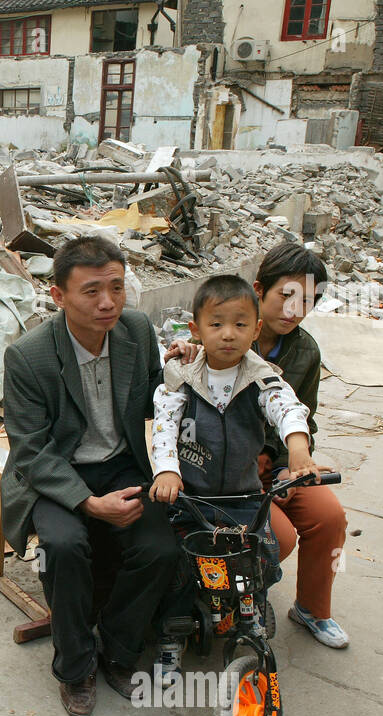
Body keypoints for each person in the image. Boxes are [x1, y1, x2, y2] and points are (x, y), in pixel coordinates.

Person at [1, 236, 183, 716]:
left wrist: (184, 371)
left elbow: (150, 403)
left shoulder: (137, 331)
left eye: (117, 288)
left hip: (122, 463)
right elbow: (30, 449)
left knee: (162, 546)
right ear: (58, 296)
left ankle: (120, 651)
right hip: (56, 471)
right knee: (63, 546)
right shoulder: (29, 356)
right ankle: (74, 667)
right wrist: (88, 503)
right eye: (91, 291)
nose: (108, 303)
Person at [149, 274, 321, 683]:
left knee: (258, 554)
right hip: (190, 496)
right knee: (178, 564)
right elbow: (164, 425)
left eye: (241, 324)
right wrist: (168, 470)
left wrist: (298, 449)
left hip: (243, 496)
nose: (229, 335)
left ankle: (253, 608)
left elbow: (288, 408)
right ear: (196, 329)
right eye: (217, 324)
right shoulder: (182, 376)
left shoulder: (262, 376)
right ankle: (172, 636)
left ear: (256, 329)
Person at [252, 242, 350, 648]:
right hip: (228, 471)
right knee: (280, 537)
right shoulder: (226, 333)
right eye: (285, 295)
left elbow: (304, 418)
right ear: (259, 289)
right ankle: (235, 602)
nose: (294, 310)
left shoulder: (305, 350)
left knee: (330, 517)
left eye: (308, 300)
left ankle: (312, 608)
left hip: (279, 466)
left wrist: (292, 465)